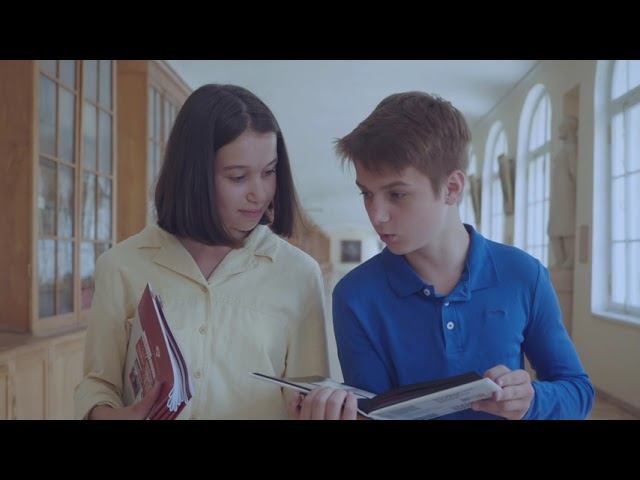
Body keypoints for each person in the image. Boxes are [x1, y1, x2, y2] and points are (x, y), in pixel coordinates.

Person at [293, 91, 594, 420]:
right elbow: (374, 412)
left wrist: (531, 400)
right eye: (366, 193)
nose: (376, 215)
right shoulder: (355, 295)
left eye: (397, 194)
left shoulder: (524, 274)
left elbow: (578, 392)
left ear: (452, 188)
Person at [74, 84, 329, 420]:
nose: (260, 193)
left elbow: (309, 398)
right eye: (238, 177)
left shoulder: (299, 274)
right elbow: (97, 384)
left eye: (269, 172)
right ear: (193, 176)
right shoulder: (121, 266)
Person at [548, 115, 578, 269]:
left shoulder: (571, 148)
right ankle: (560, 259)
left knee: (565, 227)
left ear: (569, 129)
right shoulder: (563, 149)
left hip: (566, 193)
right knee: (554, 228)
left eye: (562, 126)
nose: (559, 129)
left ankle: (569, 258)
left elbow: (575, 171)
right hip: (558, 194)